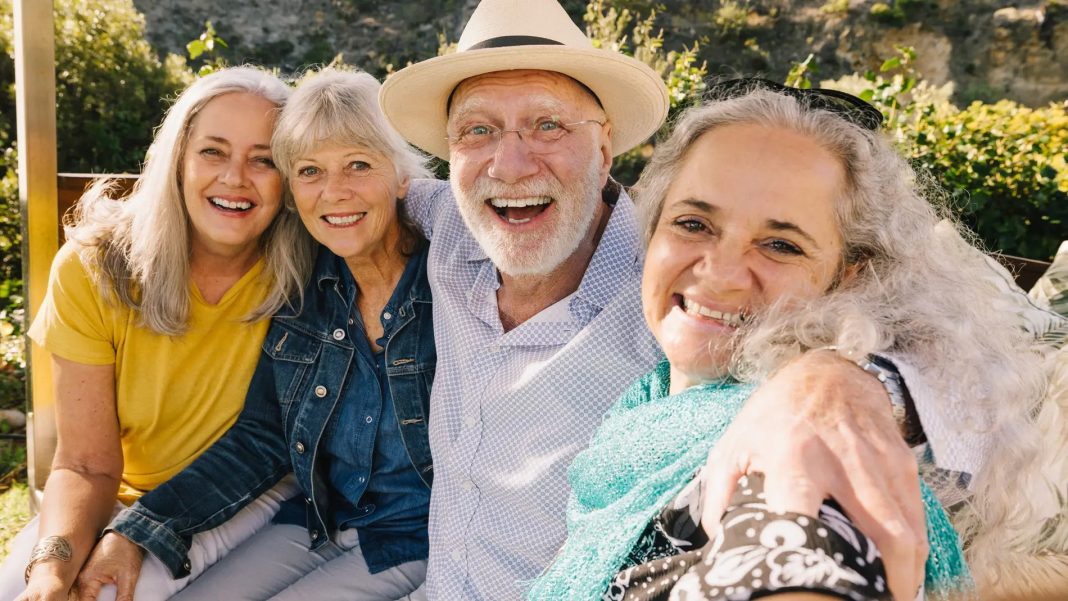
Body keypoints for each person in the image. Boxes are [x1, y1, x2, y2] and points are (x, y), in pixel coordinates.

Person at [377, 0, 1018, 598]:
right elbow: (360, 189)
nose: (509, 165)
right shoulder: (454, 237)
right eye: (477, 131)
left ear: (605, 152)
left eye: (547, 124)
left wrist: (843, 382)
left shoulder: (661, 294)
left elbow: (987, 356)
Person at [527, 81, 1046, 600]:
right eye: (693, 223)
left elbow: (801, 550)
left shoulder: (804, 446)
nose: (722, 273)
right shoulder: (643, 407)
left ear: (846, 278)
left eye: (780, 245)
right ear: (653, 228)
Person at [75, 67, 435, 601]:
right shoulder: (308, 285)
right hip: (316, 518)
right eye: (310, 171)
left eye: (359, 164)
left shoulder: (451, 281)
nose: (334, 192)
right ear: (293, 191)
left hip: (415, 537)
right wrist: (137, 530)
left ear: (402, 176)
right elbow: (263, 437)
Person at [0, 66, 310, 601]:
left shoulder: (309, 270)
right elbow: (84, 463)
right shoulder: (95, 267)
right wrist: (51, 566)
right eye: (213, 151)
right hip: (120, 494)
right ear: (178, 160)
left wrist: (134, 539)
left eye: (264, 160)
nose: (236, 178)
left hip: (246, 489)